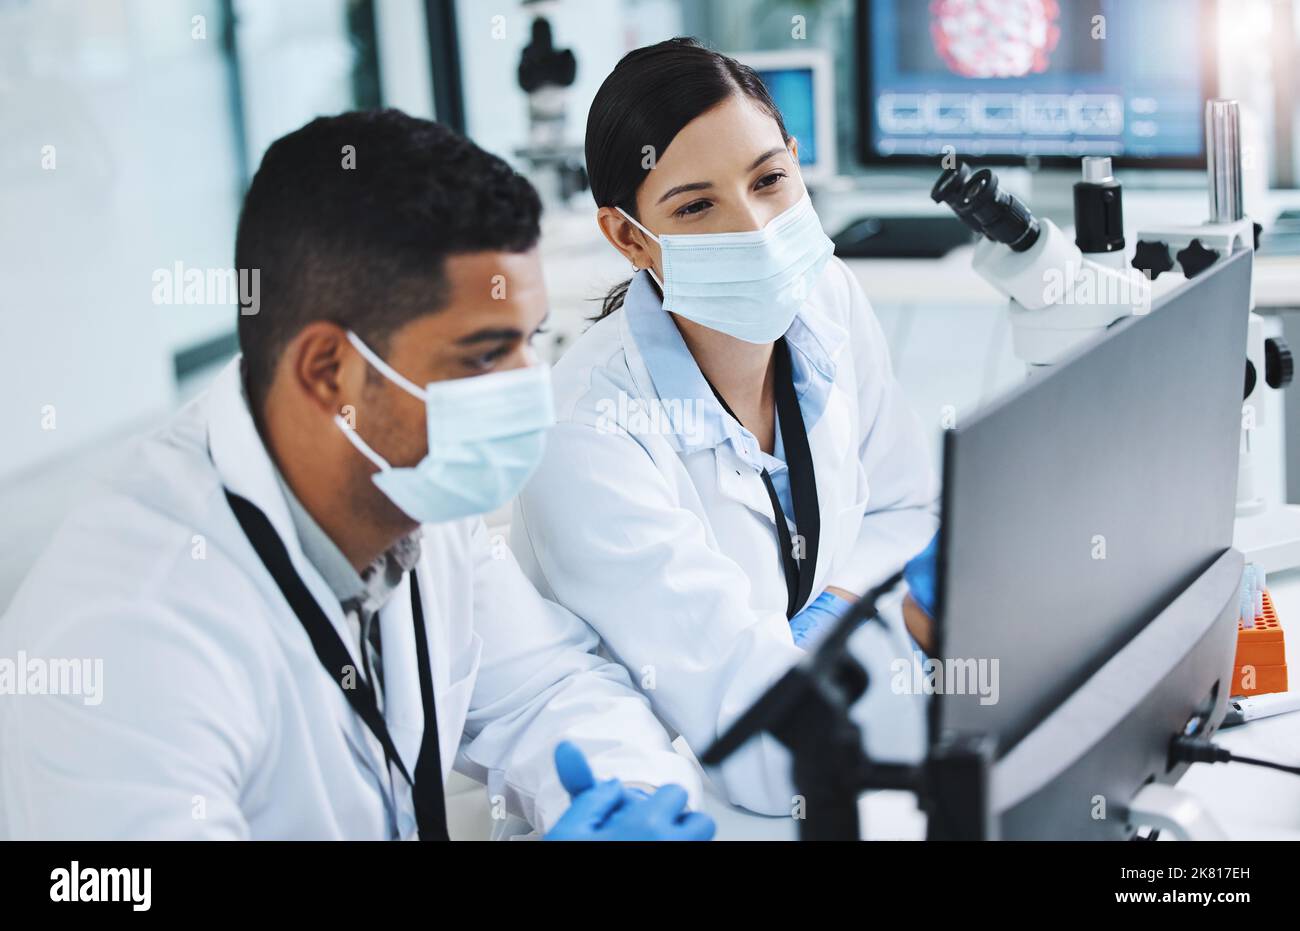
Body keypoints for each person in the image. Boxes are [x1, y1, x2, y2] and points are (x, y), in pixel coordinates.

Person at [0, 110, 713, 842]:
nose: (528, 388)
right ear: (327, 371)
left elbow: (546, 690)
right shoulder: (128, 635)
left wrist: (629, 794)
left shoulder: (412, 489)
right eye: (482, 355)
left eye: (529, 342)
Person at [510, 38, 937, 815]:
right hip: (678, 802)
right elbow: (770, 754)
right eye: (697, 205)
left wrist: (827, 618)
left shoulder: (825, 297)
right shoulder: (589, 430)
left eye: (771, 179)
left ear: (797, 162)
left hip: (828, 770)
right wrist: (893, 626)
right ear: (630, 238)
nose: (757, 228)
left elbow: (907, 510)